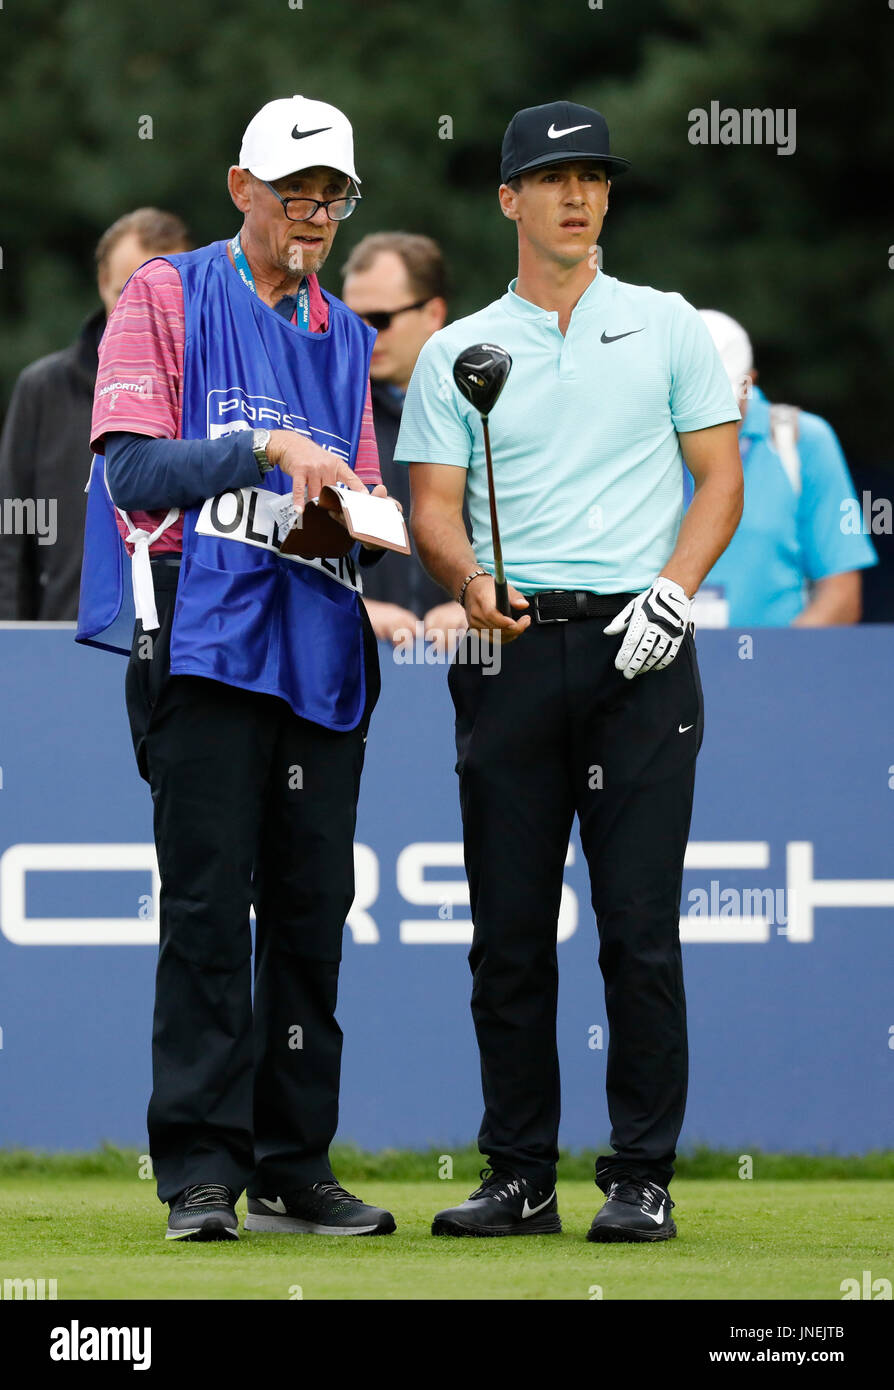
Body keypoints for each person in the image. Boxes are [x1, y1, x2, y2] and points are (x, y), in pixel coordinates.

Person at [396, 101, 743, 1242]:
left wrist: (675, 591)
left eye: (593, 177)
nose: (578, 196)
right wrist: (467, 580)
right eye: (553, 179)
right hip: (508, 645)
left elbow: (719, 480)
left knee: (637, 925)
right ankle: (519, 1175)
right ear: (510, 200)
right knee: (506, 928)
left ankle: (640, 1175)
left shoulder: (669, 325)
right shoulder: (456, 350)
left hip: (642, 646)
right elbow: (435, 510)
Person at [76, 95, 397, 1241]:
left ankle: (293, 1164)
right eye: (294, 190)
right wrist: (263, 447)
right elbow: (131, 473)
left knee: (313, 918)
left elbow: (347, 510)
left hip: (316, 653)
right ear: (240, 187)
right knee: (209, 915)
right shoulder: (165, 293)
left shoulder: (350, 338)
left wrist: (368, 527)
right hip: (200, 646)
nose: (314, 212)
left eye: (333, 195)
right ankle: (201, 1171)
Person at [0, 209, 190, 619]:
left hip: (183, 641)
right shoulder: (43, 388)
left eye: (164, 297)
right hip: (60, 638)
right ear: (103, 283)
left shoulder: (214, 392)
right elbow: (12, 527)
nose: (144, 310)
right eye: (129, 292)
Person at [696, 310, 876, 626]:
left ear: (748, 382)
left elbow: (841, 595)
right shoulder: (641, 445)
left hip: (775, 671)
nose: (705, 411)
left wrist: (775, 665)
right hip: (660, 669)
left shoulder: (803, 441)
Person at [341, 232, 466, 645]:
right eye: (349, 319)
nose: (363, 335)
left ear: (433, 313)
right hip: (359, 667)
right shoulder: (322, 417)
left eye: (379, 319)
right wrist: (353, 607)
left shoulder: (491, 415)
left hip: (481, 663)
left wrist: (479, 596)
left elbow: (537, 538)